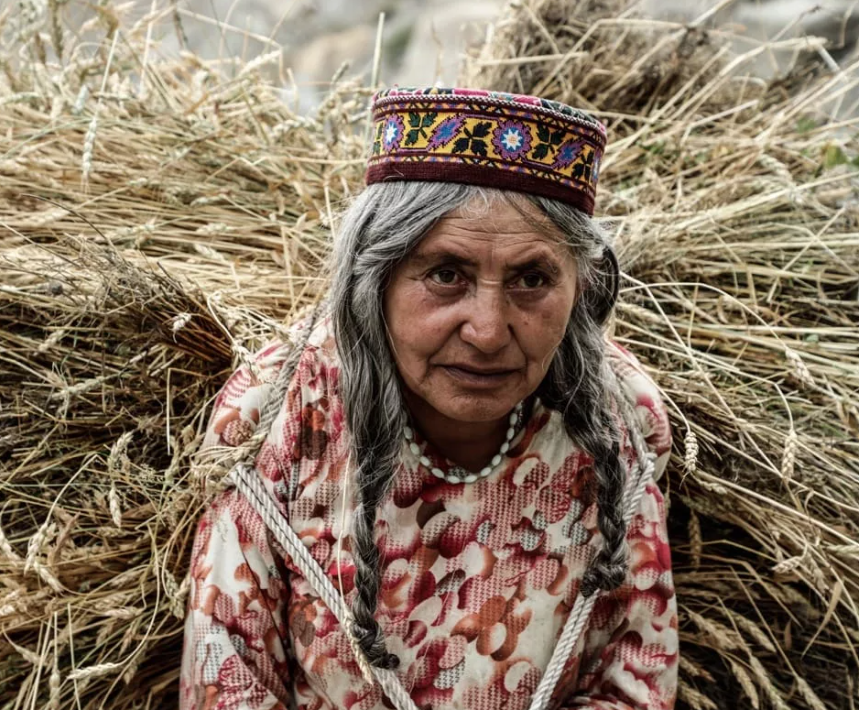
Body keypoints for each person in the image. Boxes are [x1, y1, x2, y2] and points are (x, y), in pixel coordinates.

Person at [180, 87, 678, 710]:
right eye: (446, 274)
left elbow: (633, 676)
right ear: (375, 278)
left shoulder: (618, 418)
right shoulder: (277, 416)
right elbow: (228, 682)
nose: (488, 330)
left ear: (579, 289)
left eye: (532, 279)